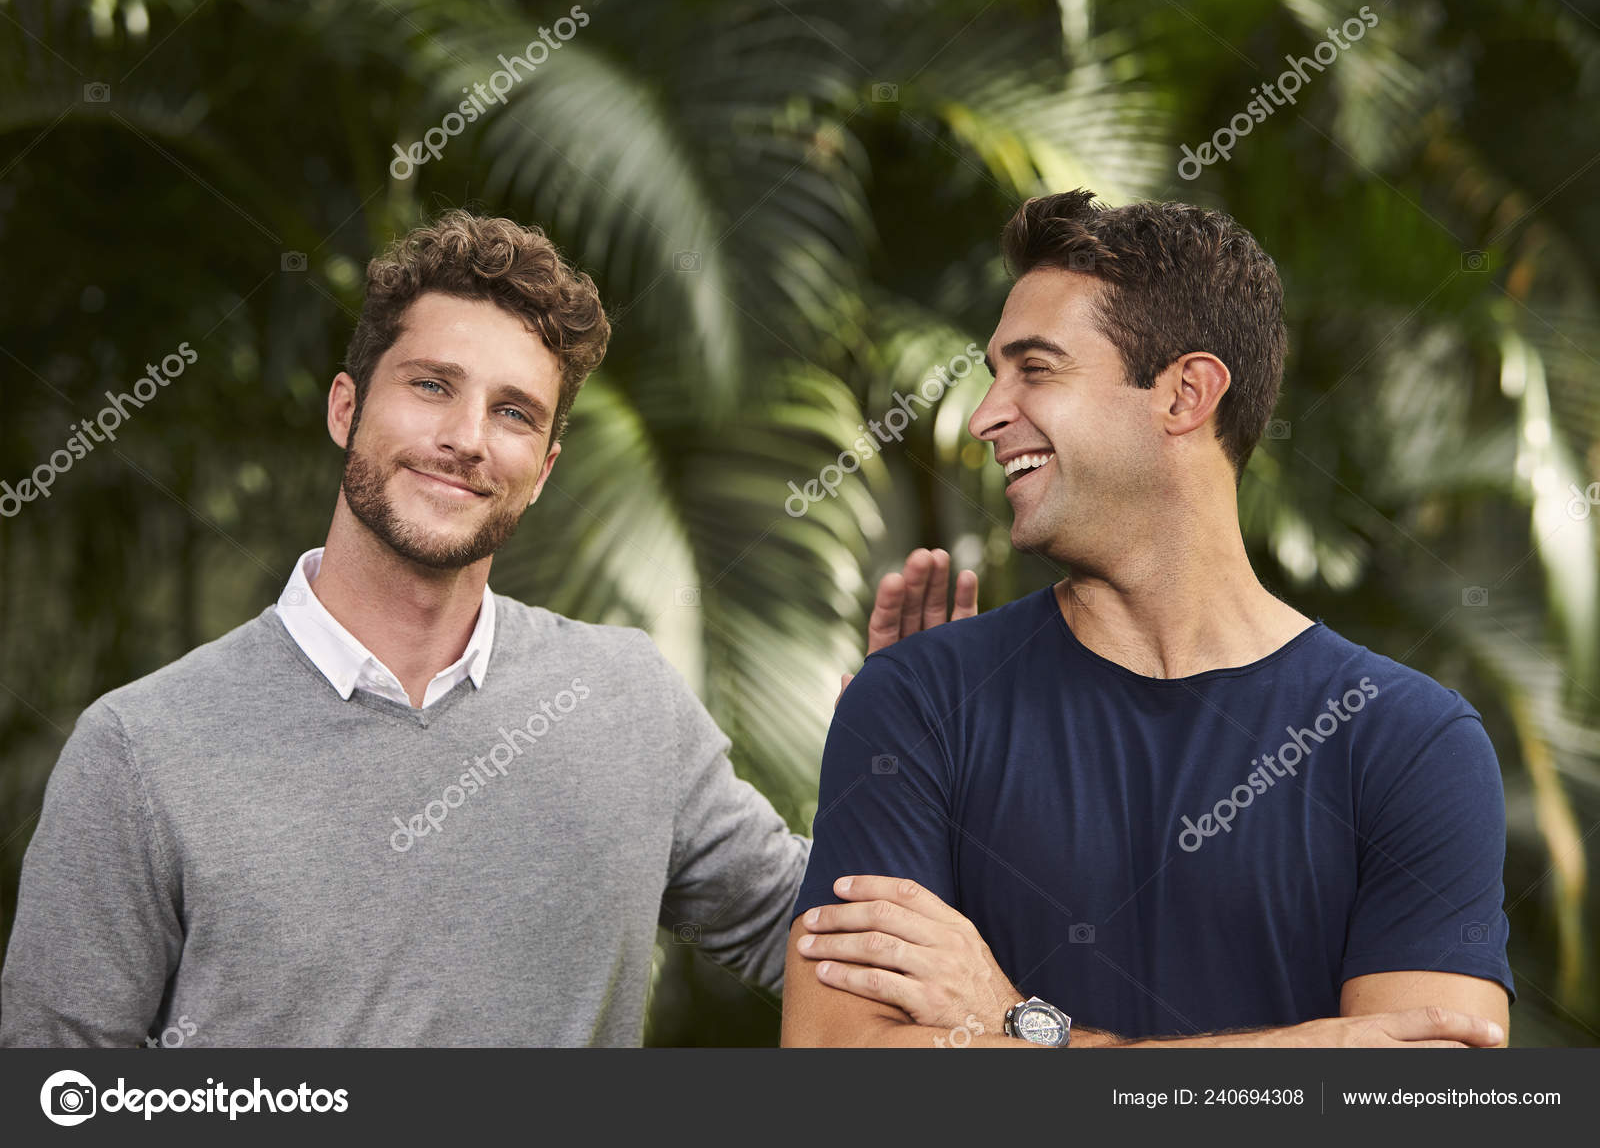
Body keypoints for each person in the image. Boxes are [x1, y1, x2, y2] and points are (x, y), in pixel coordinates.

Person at [0, 210, 973, 1048]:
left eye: (512, 412)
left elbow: (828, 944)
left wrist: (895, 769)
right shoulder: (140, 750)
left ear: (542, 469)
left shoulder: (627, 701)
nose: (466, 438)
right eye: (431, 385)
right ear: (346, 408)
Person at [781, 190, 1513, 1049]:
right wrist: (1294, 1056)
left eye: (1036, 369)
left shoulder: (1411, 743)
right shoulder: (916, 700)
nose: (985, 416)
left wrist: (1020, 1024)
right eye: (993, 375)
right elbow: (837, 1072)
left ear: (1184, 393)